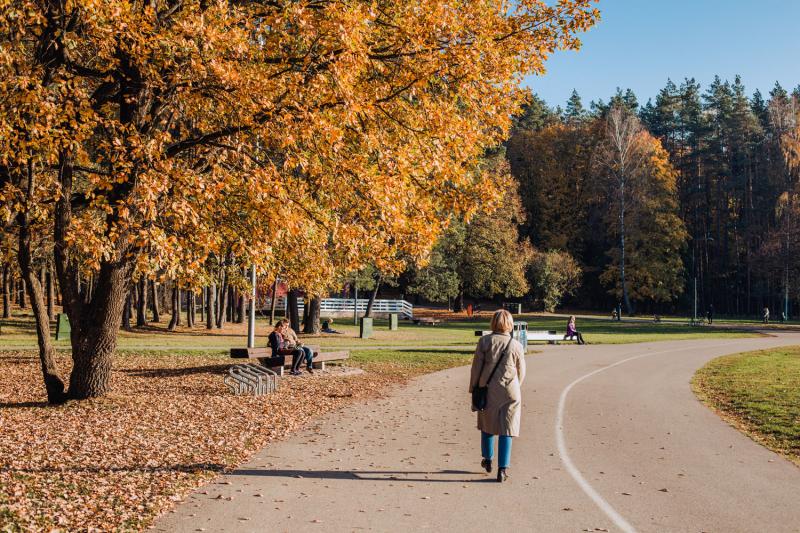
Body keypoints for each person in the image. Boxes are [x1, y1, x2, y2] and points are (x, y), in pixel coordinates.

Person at [468, 309, 526, 483]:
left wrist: (473, 389)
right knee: (507, 429)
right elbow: (521, 371)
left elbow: (476, 368)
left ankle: (487, 458)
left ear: (493, 322)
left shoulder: (485, 342)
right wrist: (516, 385)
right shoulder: (516, 345)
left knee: (487, 425)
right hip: (511, 390)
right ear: (510, 324)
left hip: (488, 389)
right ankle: (503, 469)